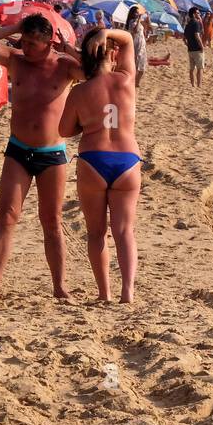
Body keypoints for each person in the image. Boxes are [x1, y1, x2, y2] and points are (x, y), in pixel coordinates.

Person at [0, 13, 84, 302]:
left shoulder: (64, 66)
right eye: (25, 41)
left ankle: (60, 287)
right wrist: (13, 28)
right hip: (18, 151)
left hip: (52, 153)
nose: (28, 47)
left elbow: (94, 72)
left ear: (49, 43)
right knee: (7, 217)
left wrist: (68, 47)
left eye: (35, 43)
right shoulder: (15, 60)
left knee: (52, 220)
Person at [59, 27, 141, 304]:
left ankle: (104, 293)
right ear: (112, 53)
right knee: (124, 231)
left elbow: (64, 130)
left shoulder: (79, 92)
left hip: (94, 159)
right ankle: (127, 292)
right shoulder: (126, 80)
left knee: (96, 232)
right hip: (127, 160)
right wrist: (105, 32)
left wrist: (87, 123)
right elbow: (128, 38)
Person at [124, 6, 151, 85]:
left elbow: (146, 30)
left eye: (137, 12)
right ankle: (133, 81)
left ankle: (137, 82)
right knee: (136, 61)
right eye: (136, 12)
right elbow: (135, 30)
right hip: (135, 43)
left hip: (142, 42)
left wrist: (147, 22)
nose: (137, 14)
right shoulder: (131, 21)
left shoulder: (139, 21)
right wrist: (139, 19)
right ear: (132, 13)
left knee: (142, 63)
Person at [183, 8, 206, 87]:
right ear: (193, 14)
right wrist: (201, 46)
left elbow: (184, 39)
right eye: (198, 13)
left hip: (190, 49)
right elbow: (198, 35)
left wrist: (188, 44)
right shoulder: (196, 23)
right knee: (200, 68)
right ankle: (199, 85)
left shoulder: (188, 24)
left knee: (191, 68)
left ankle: (193, 84)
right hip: (197, 48)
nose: (199, 14)